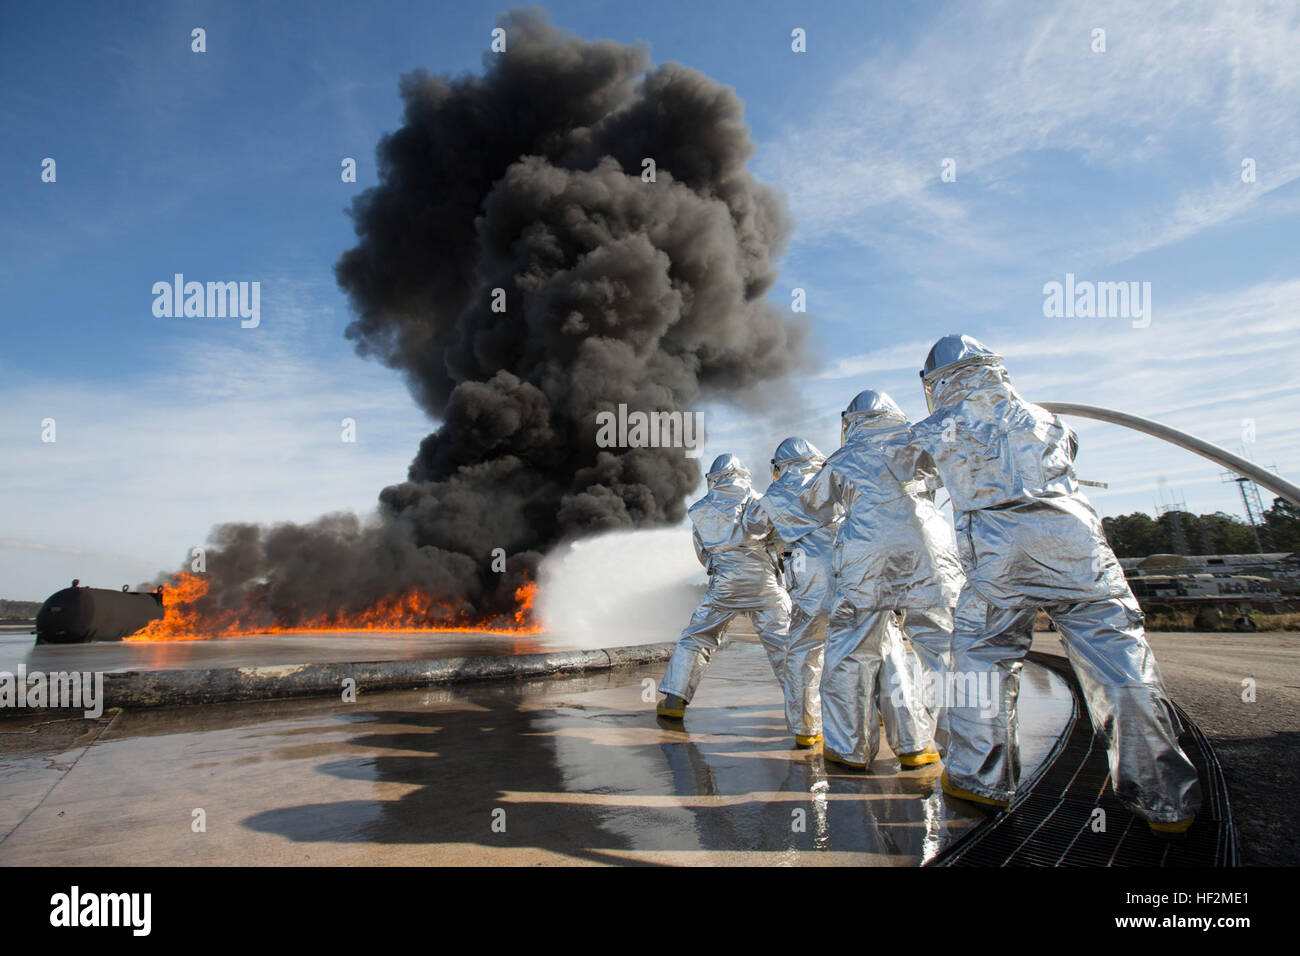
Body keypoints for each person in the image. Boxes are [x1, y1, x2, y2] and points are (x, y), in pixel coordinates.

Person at [907, 333, 1201, 835]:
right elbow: (1070, 451)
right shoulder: (1046, 417)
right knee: (1119, 658)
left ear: (936, 383)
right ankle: (1165, 798)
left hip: (1001, 550)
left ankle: (980, 781)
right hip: (1075, 544)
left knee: (981, 656)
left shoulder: (937, 426)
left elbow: (906, 472)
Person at [798, 392, 953, 770]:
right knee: (945, 649)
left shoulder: (843, 458)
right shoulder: (917, 437)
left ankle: (849, 748)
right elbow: (951, 469)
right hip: (928, 546)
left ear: (851, 422)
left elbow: (814, 506)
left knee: (853, 649)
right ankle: (946, 750)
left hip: (868, 554)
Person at [657, 454, 792, 720]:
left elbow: (702, 552)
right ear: (745, 475)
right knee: (786, 642)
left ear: (712, 479)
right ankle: (809, 706)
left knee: (696, 638)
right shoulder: (761, 501)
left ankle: (674, 701)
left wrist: (720, 570)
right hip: (765, 585)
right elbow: (780, 540)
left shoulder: (701, 509)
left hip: (723, 586)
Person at [743, 437, 838, 747]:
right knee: (873, 647)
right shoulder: (837, 475)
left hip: (810, 578)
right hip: (855, 568)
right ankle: (911, 743)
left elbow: (753, 529)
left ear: (780, 466)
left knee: (804, 652)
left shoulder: (776, 492)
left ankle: (808, 728)